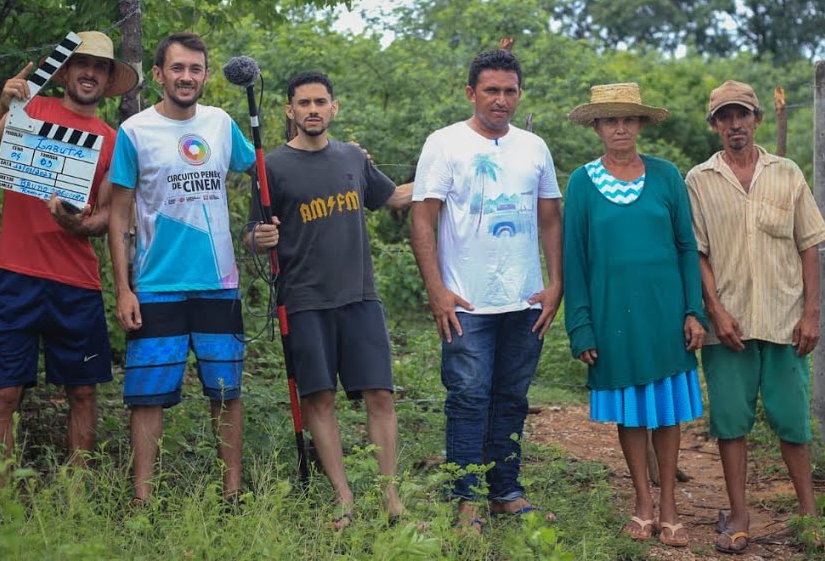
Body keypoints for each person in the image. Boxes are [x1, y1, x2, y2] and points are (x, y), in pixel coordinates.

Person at [0, 30, 138, 479]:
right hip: (14, 273)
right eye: (82, 64)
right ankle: (4, 503)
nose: (90, 73)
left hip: (76, 282)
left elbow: (106, 217)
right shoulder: (31, 109)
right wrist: (1, 106)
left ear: (109, 77)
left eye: (100, 67)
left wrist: (78, 223)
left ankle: (76, 503)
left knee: (82, 393)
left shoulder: (113, 141)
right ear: (65, 72)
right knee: (5, 393)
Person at [246, 71, 414, 529]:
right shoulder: (270, 166)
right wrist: (258, 238)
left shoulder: (353, 159)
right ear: (289, 110)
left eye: (321, 101)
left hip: (360, 296)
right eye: (304, 103)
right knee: (319, 399)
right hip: (304, 300)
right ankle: (343, 498)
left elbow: (394, 198)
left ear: (335, 107)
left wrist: (450, 169)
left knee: (380, 395)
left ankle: (391, 501)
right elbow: (252, 234)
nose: (313, 109)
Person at [409, 48, 563, 530]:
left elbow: (550, 217)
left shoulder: (533, 148)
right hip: (465, 300)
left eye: (509, 91)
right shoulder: (444, 143)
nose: (501, 100)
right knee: (468, 396)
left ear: (519, 94)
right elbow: (422, 218)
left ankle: (505, 491)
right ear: (471, 93)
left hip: (525, 298)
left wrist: (555, 282)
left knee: (512, 396)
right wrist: (437, 289)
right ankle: (467, 500)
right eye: (491, 91)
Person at [107, 32, 255, 505]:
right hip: (155, 284)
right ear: (158, 74)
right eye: (177, 68)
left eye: (195, 69)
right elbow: (119, 214)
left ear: (206, 75)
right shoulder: (135, 131)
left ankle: (231, 494)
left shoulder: (221, 123)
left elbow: (266, 172)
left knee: (226, 391)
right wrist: (123, 289)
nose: (186, 77)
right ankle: (142, 500)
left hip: (219, 281)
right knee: (147, 397)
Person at [684, 80, 825, 554]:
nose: (734, 125)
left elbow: (809, 245)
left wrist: (811, 313)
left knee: (793, 420)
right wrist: (715, 311)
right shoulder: (699, 180)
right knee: (731, 421)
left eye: (741, 115)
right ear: (714, 126)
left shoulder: (787, 173)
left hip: (786, 321)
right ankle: (740, 513)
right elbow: (698, 254)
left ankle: (809, 516)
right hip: (729, 328)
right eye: (724, 117)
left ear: (757, 120)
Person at [561, 83, 707, 546]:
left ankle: (669, 507)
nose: (620, 127)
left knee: (665, 410)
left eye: (628, 119)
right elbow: (575, 258)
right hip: (612, 313)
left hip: (665, 312)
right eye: (610, 120)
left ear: (641, 124)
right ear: (597, 127)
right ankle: (642, 504)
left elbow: (687, 247)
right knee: (632, 410)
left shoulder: (666, 176)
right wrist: (580, 323)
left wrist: (693, 310)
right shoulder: (582, 182)